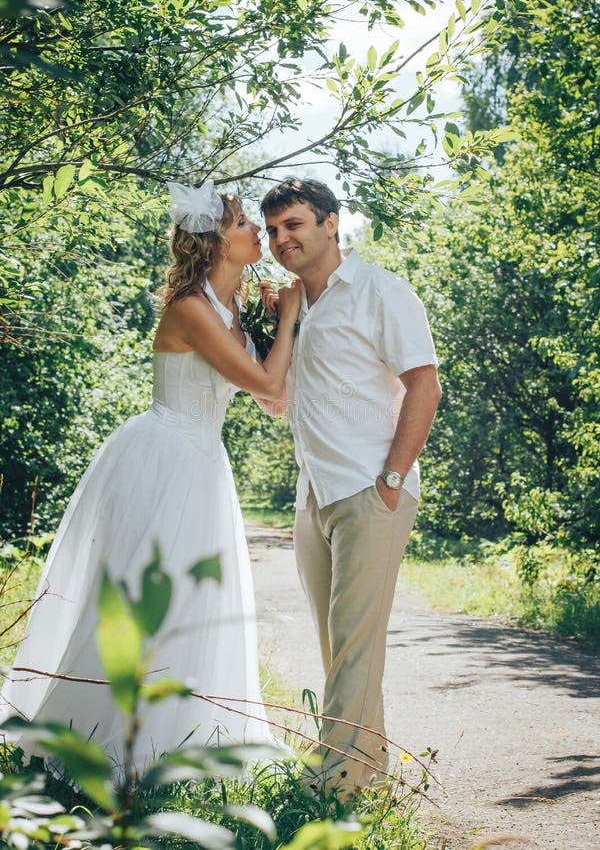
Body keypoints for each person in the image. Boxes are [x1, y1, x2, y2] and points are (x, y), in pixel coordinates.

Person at [1, 180, 301, 775]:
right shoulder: (190, 309)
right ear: (216, 243)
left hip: (203, 462)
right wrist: (291, 317)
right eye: (244, 225)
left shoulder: (232, 308)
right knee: (145, 599)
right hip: (161, 459)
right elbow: (267, 385)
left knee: (197, 598)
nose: (255, 235)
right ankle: (101, 738)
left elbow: (273, 399)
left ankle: (188, 736)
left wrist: (274, 328)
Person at [260, 177, 441, 797]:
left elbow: (425, 385)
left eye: (295, 224)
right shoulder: (294, 308)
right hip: (314, 495)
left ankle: (325, 792)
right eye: (274, 229)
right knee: (341, 649)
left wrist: (392, 478)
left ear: (331, 223)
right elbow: (272, 402)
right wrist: (277, 326)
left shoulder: (379, 291)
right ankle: (365, 783)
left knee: (356, 648)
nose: (283, 238)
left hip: (370, 490)